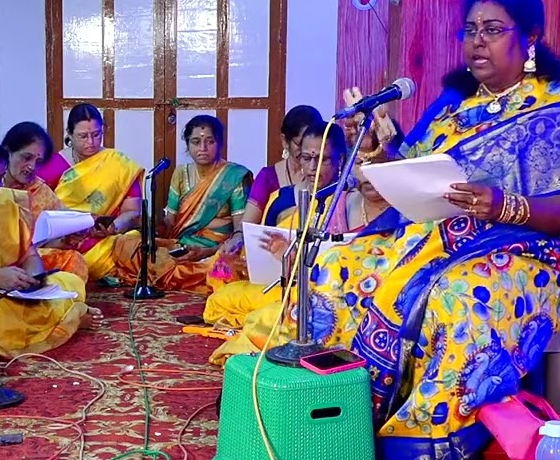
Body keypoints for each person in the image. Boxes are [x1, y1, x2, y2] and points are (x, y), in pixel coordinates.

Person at [213, 0, 560, 460]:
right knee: (334, 267)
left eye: (492, 30)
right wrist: (385, 161)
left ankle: (422, 440)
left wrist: (505, 205)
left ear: (530, 36)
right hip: (438, 237)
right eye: (470, 30)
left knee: (452, 298)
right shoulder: (454, 104)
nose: (477, 42)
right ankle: (334, 415)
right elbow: (421, 176)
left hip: (538, 253)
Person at [202, 117, 349, 327]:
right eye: (306, 158)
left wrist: (293, 260)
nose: (312, 167)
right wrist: (248, 255)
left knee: (257, 312)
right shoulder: (281, 197)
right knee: (219, 295)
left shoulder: (346, 201)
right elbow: (261, 242)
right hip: (277, 283)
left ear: (340, 160)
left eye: (322, 159)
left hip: (318, 291)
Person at [0, 136, 90, 355]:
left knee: (70, 282)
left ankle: (64, 318)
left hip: (12, 290)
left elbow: (29, 253)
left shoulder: (6, 200)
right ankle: (66, 320)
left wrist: (33, 279)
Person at [108, 115, 252, 293]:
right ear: (188, 145)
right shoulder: (180, 173)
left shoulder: (235, 176)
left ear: (219, 143)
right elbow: (170, 223)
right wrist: (147, 227)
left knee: (225, 267)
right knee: (124, 242)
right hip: (181, 247)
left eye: (209, 141)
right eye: (196, 142)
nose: (203, 148)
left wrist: (207, 252)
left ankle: (172, 273)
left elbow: (240, 233)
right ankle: (168, 270)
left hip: (214, 252)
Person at [52, 104, 144, 281]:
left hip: (108, 240)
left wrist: (114, 226)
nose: (91, 142)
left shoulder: (119, 163)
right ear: (69, 134)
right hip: (64, 243)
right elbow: (38, 207)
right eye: (83, 136)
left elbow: (132, 211)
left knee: (135, 248)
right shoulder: (54, 165)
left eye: (96, 135)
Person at [0, 121, 89, 282]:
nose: (31, 167)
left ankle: (58, 301)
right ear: (7, 152)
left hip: (33, 258)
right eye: (26, 158)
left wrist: (68, 237)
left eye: (38, 162)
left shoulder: (39, 189)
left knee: (74, 261)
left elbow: (50, 239)